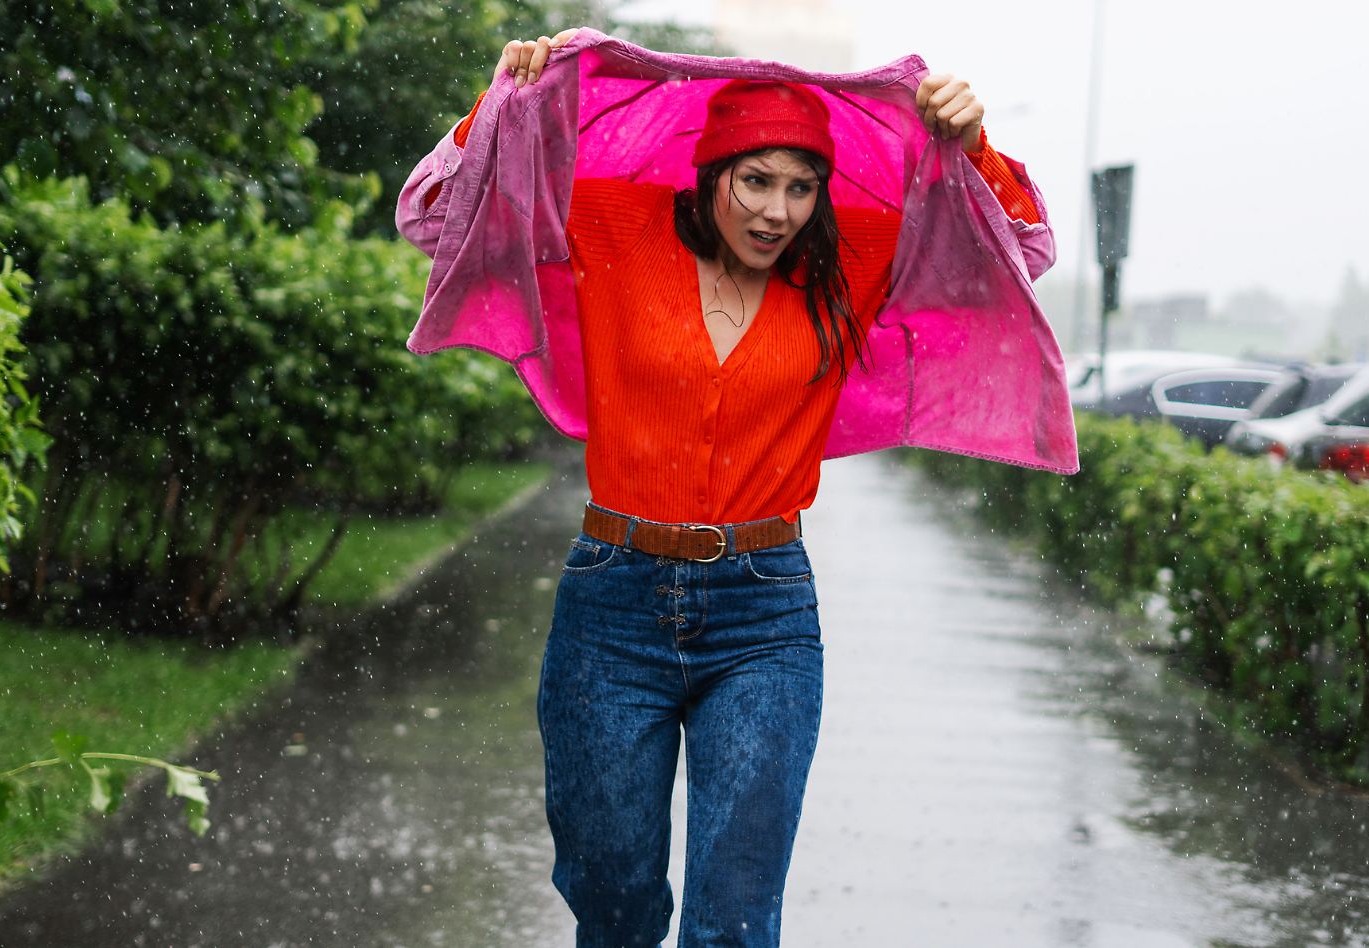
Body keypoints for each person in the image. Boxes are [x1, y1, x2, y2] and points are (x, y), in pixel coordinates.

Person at [399, 28, 1074, 947]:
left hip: (764, 620)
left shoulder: (852, 262)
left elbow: (1016, 249)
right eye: (754, 181)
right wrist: (508, 103)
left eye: (802, 187)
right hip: (611, 606)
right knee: (614, 901)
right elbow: (438, 217)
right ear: (708, 174)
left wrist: (973, 144)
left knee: (735, 919)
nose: (778, 211)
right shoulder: (610, 223)